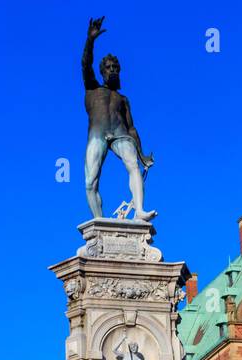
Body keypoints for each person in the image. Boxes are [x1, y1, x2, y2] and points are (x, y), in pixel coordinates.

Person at [82, 17, 155, 221]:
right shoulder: (91, 88)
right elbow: (85, 63)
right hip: (98, 135)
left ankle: (139, 210)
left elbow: (131, 128)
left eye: (115, 67)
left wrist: (142, 155)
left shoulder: (123, 99)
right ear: (102, 71)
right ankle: (99, 221)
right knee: (90, 182)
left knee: (133, 165)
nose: (112, 70)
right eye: (108, 67)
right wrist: (90, 40)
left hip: (121, 134)